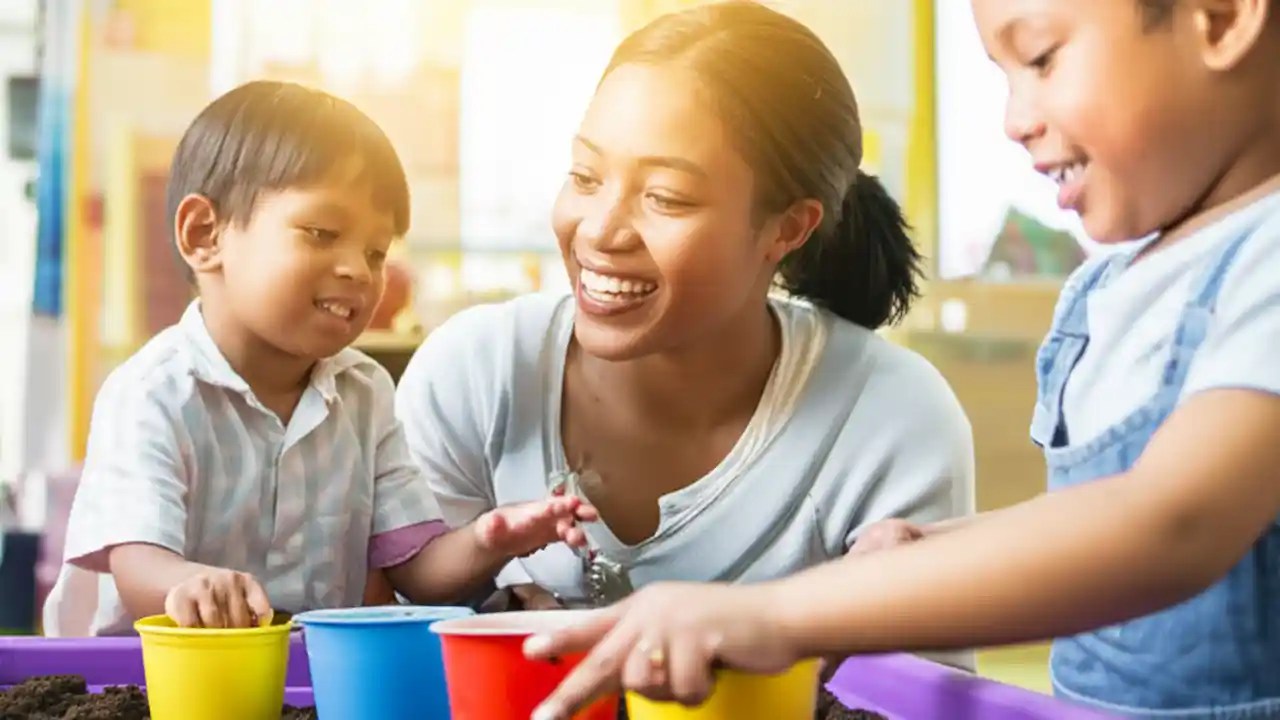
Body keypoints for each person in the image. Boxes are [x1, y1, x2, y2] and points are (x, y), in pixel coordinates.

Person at [524, 0, 1280, 718]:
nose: (1015, 121)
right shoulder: (1114, 282)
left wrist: (774, 614)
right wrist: (938, 547)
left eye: (1043, 59)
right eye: (1002, 76)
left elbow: (1171, 524)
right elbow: (1107, 513)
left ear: (1221, 17)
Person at [396, 0, 973, 661]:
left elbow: (919, 695)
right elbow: (384, 635)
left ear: (788, 227)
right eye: (585, 176)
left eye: (666, 197)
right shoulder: (476, 374)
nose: (600, 231)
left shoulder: (889, 416)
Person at [41, 81, 596, 636]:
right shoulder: (151, 391)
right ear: (204, 234)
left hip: (310, 680)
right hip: (150, 679)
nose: (359, 269)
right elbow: (139, 568)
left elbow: (419, 570)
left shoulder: (365, 393)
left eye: (377, 251)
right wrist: (190, 583)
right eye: (321, 233)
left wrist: (491, 537)